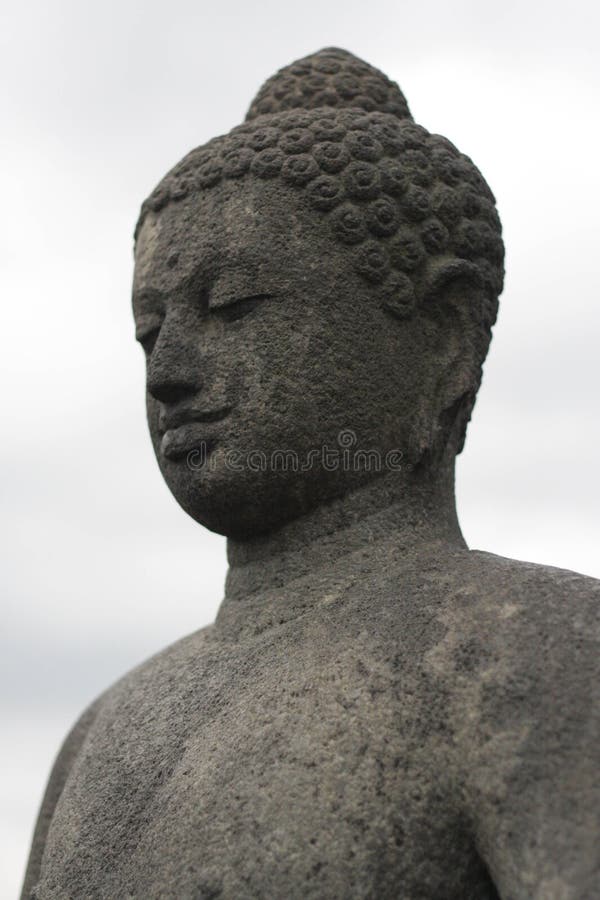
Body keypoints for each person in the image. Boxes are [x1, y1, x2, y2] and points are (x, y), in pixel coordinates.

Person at [22, 48, 599, 900]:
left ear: (441, 340)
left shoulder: (537, 651)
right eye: (149, 332)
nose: (167, 373)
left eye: (234, 307)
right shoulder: (100, 731)